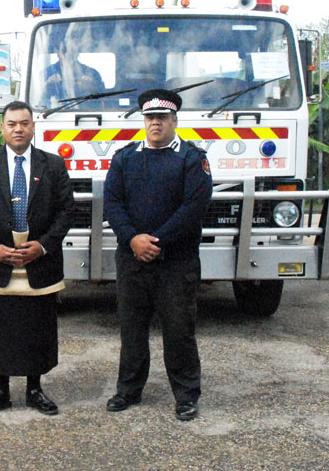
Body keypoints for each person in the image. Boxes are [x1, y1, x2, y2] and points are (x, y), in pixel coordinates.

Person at [103, 89, 213, 421]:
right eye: (150, 118)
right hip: (132, 259)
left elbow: (194, 207)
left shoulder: (193, 159)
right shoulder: (125, 158)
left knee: (179, 329)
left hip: (176, 262)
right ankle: (128, 390)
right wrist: (133, 238)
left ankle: (186, 394)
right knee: (131, 329)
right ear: (144, 121)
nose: (155, 124)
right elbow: (112, 203)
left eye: (162, 118)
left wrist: (157, 241)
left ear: (174, 121)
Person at [0, 100, 75, 416]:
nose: (18, 129)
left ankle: (35, 389)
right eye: (11, 123)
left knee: (36, 327)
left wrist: (43, 246)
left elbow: (67, 211)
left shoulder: (52, 165)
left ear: (33, 127)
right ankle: (0, 391)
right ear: (2, 128)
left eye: (24, 123)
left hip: (38, 260)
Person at [41, 45, 105, 105]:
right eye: (64, 51)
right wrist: (48, 84)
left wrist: (91, 86)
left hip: (87, 113)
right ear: (58, 54)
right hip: (52, 113)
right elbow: (37, 97)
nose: (68, 55)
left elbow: (104, 98)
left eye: (72, 51)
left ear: (77, 54)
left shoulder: (92, 73)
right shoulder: (46, 73)